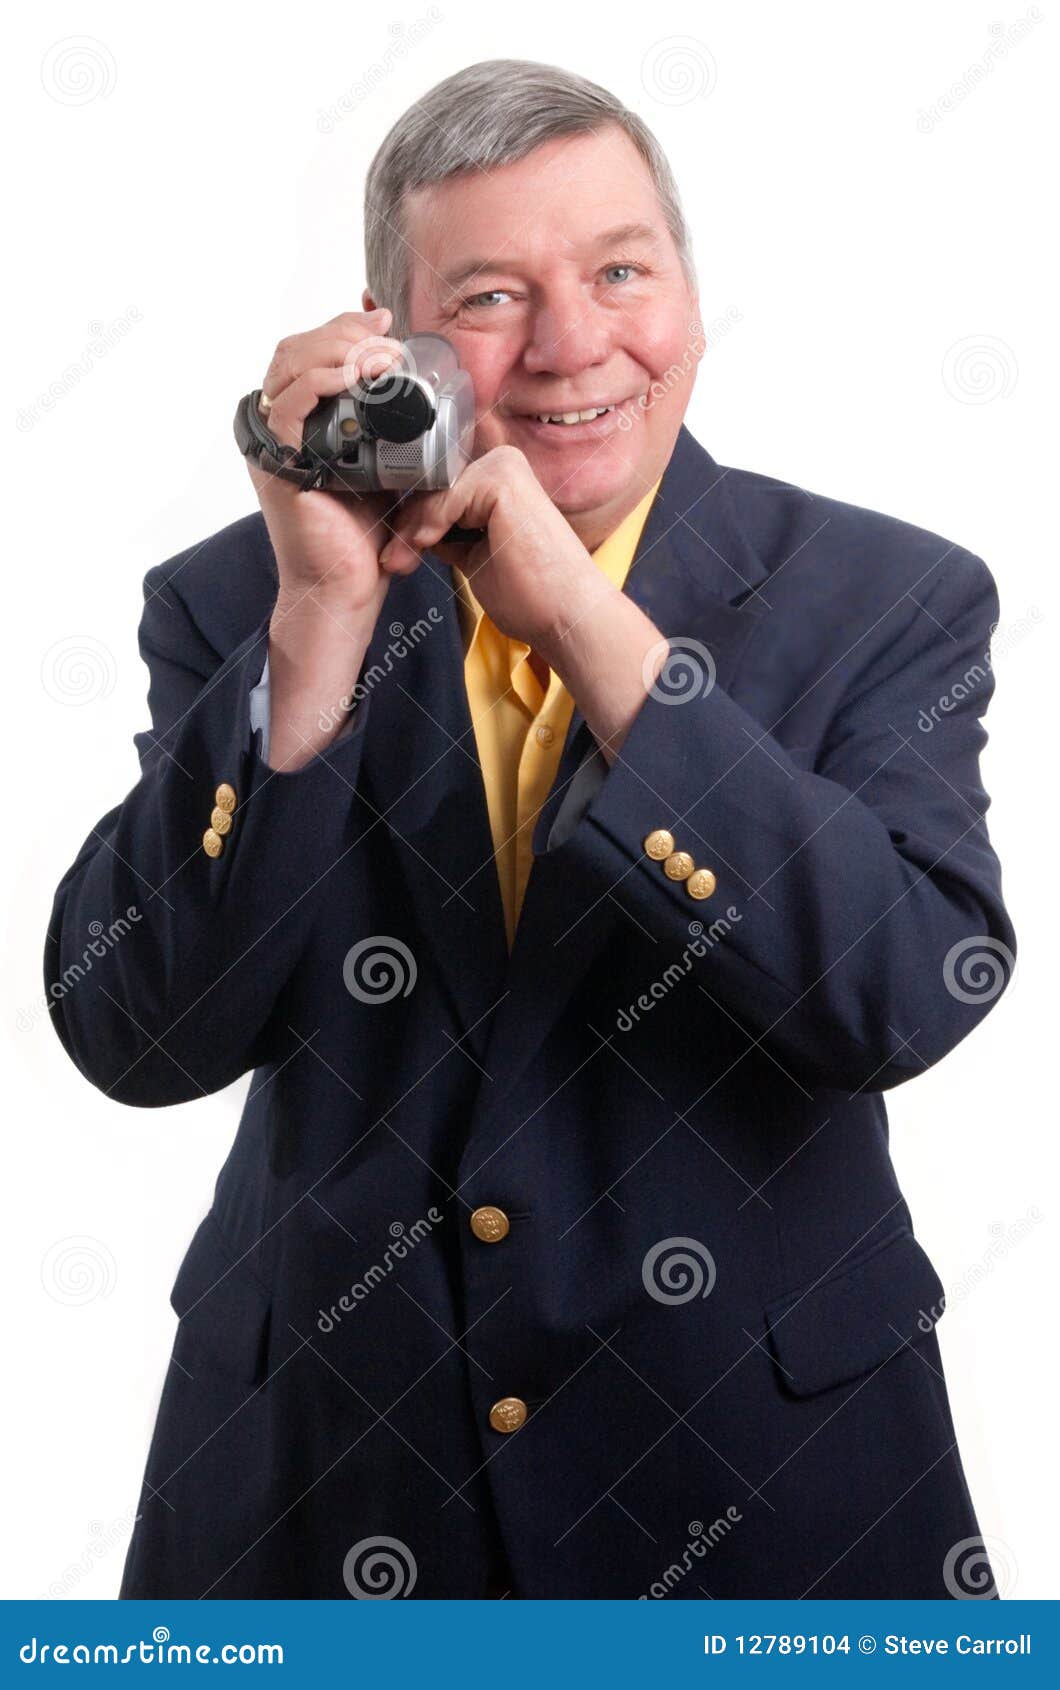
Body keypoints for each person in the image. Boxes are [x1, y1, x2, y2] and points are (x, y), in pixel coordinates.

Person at [45, 59, 1015, 1600]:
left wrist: (581, 615)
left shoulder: (890, 597)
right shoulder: (245, 600)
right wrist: (318, 624)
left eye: (621, 270)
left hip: (757, 1489)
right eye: (493, 295)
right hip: (326, 1481)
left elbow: (899, 990)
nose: (576, 346)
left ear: (686, 289)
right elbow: (135, 1032)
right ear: (389, 337)